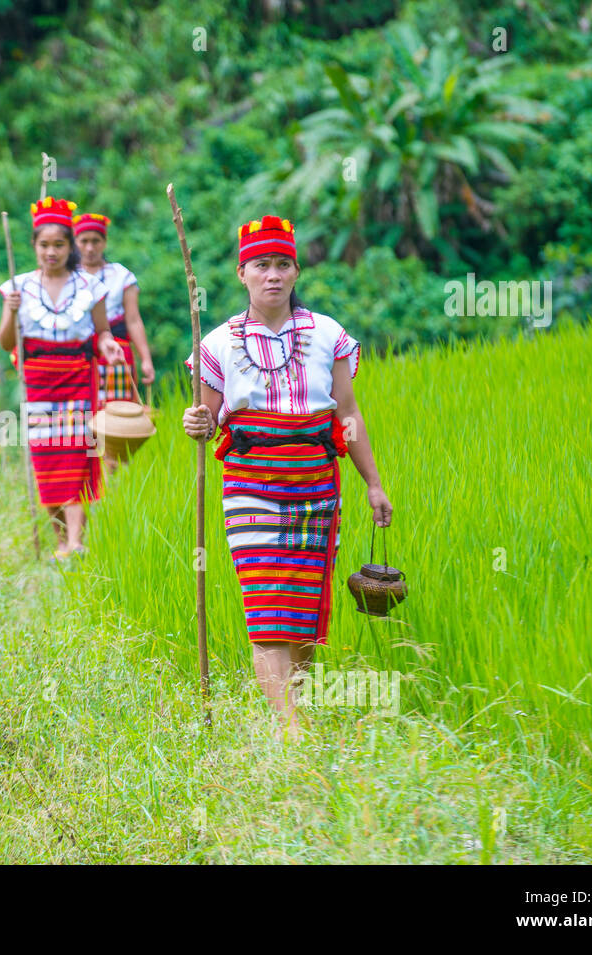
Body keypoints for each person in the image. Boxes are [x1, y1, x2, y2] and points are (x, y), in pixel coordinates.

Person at [181, 214, 393, 740]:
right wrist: (195, 422)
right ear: (242, 273)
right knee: (268, 603)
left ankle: (291, 713)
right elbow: (206, 421)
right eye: (261, 265)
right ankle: (291, 730)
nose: (271, 274)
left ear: (296, 271)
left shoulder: (328, 335)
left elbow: (347, 413)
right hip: (251, 485)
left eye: (282, 264)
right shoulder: (217, 344)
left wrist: (372, 482)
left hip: (318, 484)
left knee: (301, 607)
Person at [0, 196, 127, 561]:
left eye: (58, 245)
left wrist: (110, 347)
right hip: (38, 383)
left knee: (75, 457)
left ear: (70, 246)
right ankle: (60, 542)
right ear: (34, 247)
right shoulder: (17, 287)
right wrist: (10, 312)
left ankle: (76, 541)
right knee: (47, 460)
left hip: (78, 381)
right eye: (44, 245)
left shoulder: (89, 286)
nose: (51, 252)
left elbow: (102, 332)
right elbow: (7, 342)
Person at [72, 212, 155, 423]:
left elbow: (133, 319)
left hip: (116, 355)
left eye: (95, 241)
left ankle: (115, 456)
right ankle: (85, 456)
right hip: (79, 354)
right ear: (75, 242)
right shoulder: (67, 276)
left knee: (118, 416)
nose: (90, 248)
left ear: (104, 242)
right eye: (84, 241)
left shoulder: (121, 275)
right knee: (81, 414)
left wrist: (145, 359)